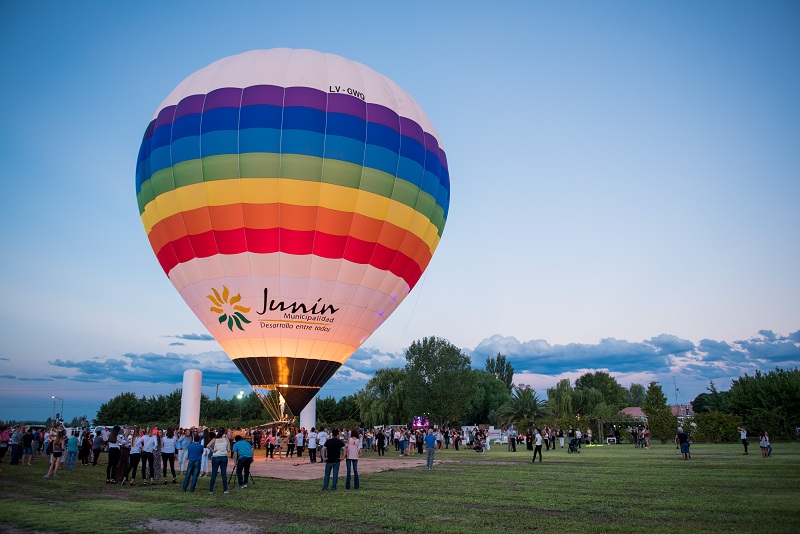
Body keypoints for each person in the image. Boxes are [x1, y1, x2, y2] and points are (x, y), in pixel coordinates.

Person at [208, 428, 230, 494]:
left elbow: (208, 445)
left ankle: (211, 489)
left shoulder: (215, 439)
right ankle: (225, 489)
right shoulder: (226, 440)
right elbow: (228, 450)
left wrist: (212, 451)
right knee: (223, 474)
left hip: (216, 456)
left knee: (214, 474)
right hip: (223, 457)